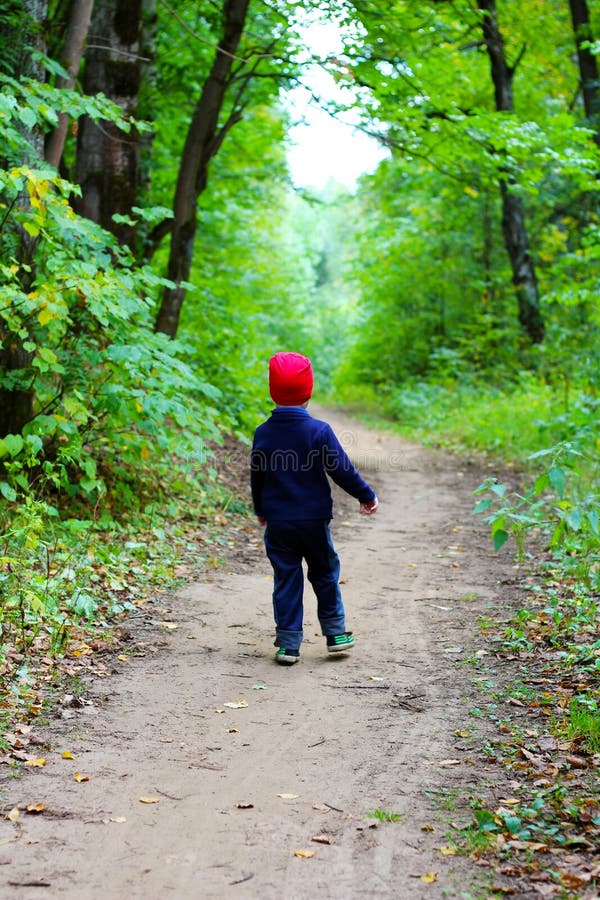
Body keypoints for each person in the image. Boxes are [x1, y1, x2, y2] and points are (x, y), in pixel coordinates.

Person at [250, 351, 378, 665]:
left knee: (286, 578)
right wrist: (366, 495)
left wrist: (261, 510)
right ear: (309, 392)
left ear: (272, 390)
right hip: (313, 521)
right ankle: (335, 634)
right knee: (323, 574)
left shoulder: (263, 433)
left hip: (279, 522)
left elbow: (258, 476)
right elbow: (341, 469)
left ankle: (288, 644)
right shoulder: (319, 431)